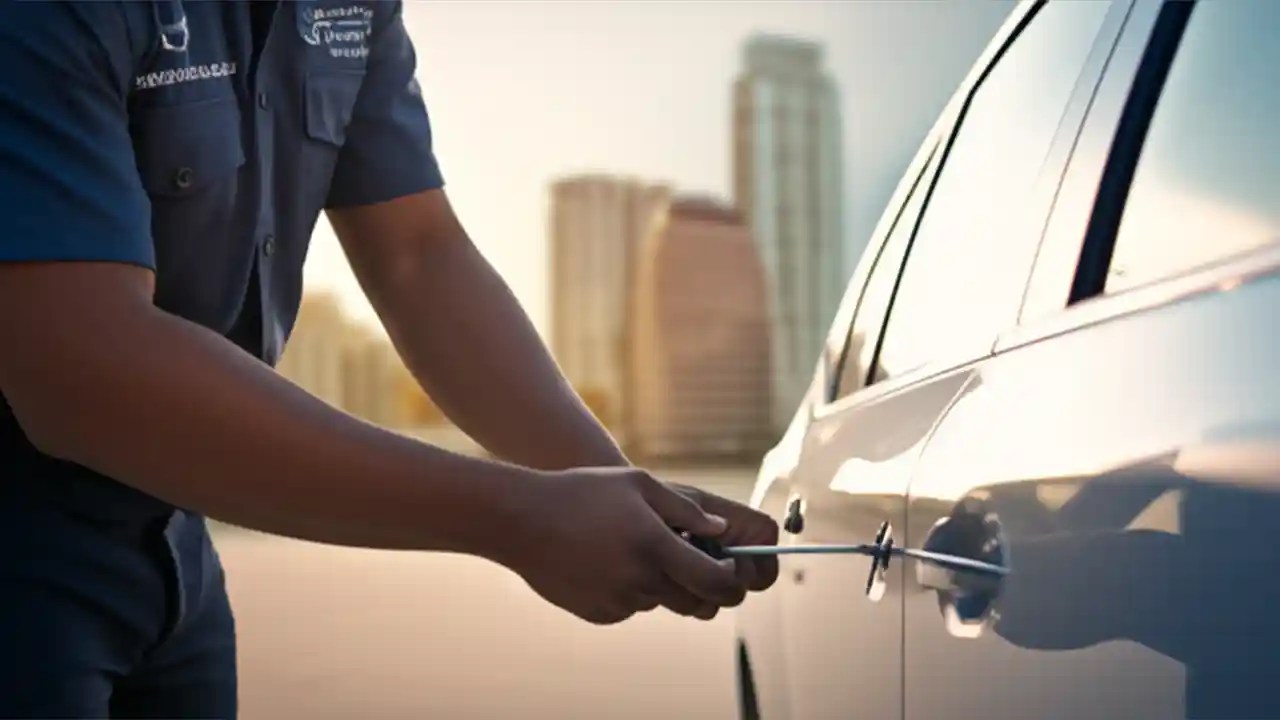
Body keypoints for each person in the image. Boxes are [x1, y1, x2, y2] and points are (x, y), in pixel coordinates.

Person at [0, 1, 780, 717]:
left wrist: (621, 496)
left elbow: (418, 256)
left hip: (177, 551)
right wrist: (515, 517)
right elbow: (77, 363)